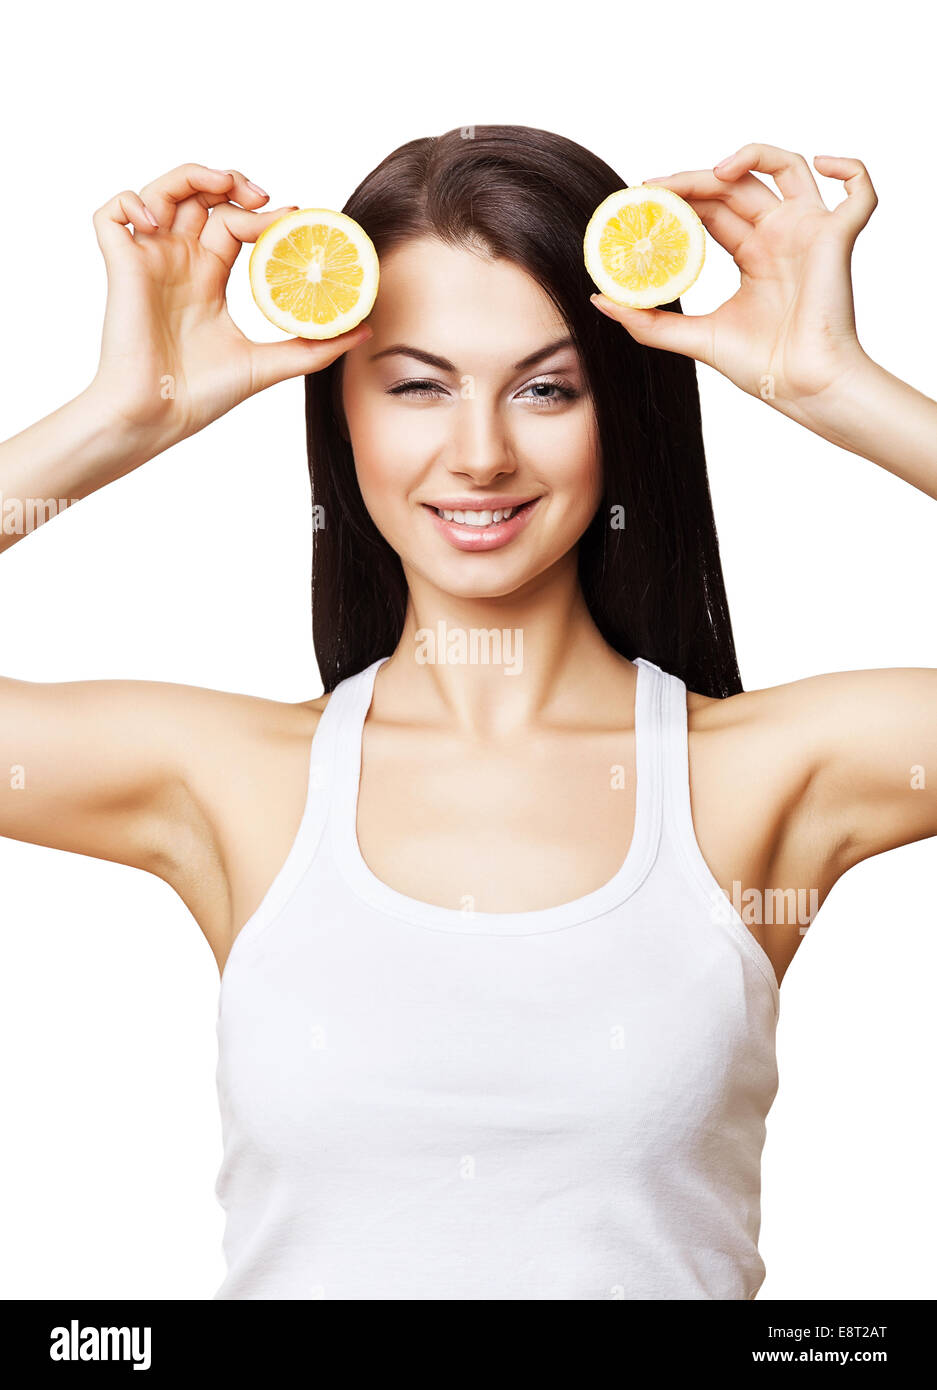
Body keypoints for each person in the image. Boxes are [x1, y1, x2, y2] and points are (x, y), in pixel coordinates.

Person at [1, 126, 934, 1301]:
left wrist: (834, 386)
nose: (480, 453)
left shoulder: (760, 780)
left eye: (546, 388)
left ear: (622, 410)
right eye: (416, 385)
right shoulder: (233, 783)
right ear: (340, 409)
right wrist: (125, 416)